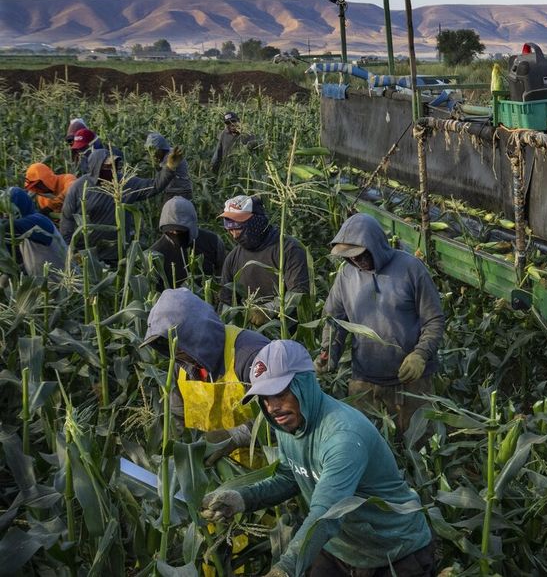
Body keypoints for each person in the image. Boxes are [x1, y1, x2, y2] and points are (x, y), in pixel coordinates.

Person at [200, 340, 436, 577]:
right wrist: (242, 499)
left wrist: (285, 569)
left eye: (280, 393)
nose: (272, 407)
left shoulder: (343, 436)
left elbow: (326, 514)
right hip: (339, 546)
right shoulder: (289, 424)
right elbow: (290, 477)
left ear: (305, 384)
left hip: (393, 551)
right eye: (264, 397)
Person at [321, 213, 445, 438]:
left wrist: (420, 354)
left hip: (411, 383)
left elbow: (434, 319)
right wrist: (328, 353)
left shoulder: (411, 269)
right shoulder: (346, 275)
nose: (355, 261)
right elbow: (334, 319)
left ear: (374, 246)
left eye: (359, 255)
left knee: (417, 449)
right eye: (349, 257)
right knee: (365, 447)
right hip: (364, 383)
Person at [142, 288, 270, 465]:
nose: (174, 352)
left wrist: (231, 436)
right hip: (209, 475)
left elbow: (282, 415)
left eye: (177, 343)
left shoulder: (250, 355)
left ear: (195, 333)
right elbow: (178, 417)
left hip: (260, 472)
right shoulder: (181, 367)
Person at [59, 147, 182, 265]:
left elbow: (154, 186)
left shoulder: (124, 183)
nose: (112, 169)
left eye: (114, 165)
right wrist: (69, 250)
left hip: (116, 255)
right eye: (107, 166)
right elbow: (67, 219)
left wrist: (169, 168)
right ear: (96, 167)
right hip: (87, 256)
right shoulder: (79, 187)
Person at [218, 194, 311, 312]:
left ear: (256, 222)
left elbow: (298, 293)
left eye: (239, 228)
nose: (235, 235)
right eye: (230, 230)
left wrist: (268, 310)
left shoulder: (289, 250)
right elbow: (226, 302)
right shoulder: (232, 258)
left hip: (285, 328)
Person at [150, 197, 225, 290]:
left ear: (191, 226)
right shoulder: (156, 254)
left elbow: (222, 275)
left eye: (179, 231)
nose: (174, 234)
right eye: (170, 230)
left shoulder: (213, 242)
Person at [3, 187, 66, 275]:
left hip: (65, 284)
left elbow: (9, 226)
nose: (6, 215)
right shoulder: (23, 231)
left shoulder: (37, 221)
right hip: (44, 284)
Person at [145, 132, 193, 200]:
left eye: (155, 151)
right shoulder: (165, 154)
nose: (153, 154)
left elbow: (164, 175)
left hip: (179, 192)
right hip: (179, 191)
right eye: (150, 151)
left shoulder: (170, 157)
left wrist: (154, 164)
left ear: (162, 148)